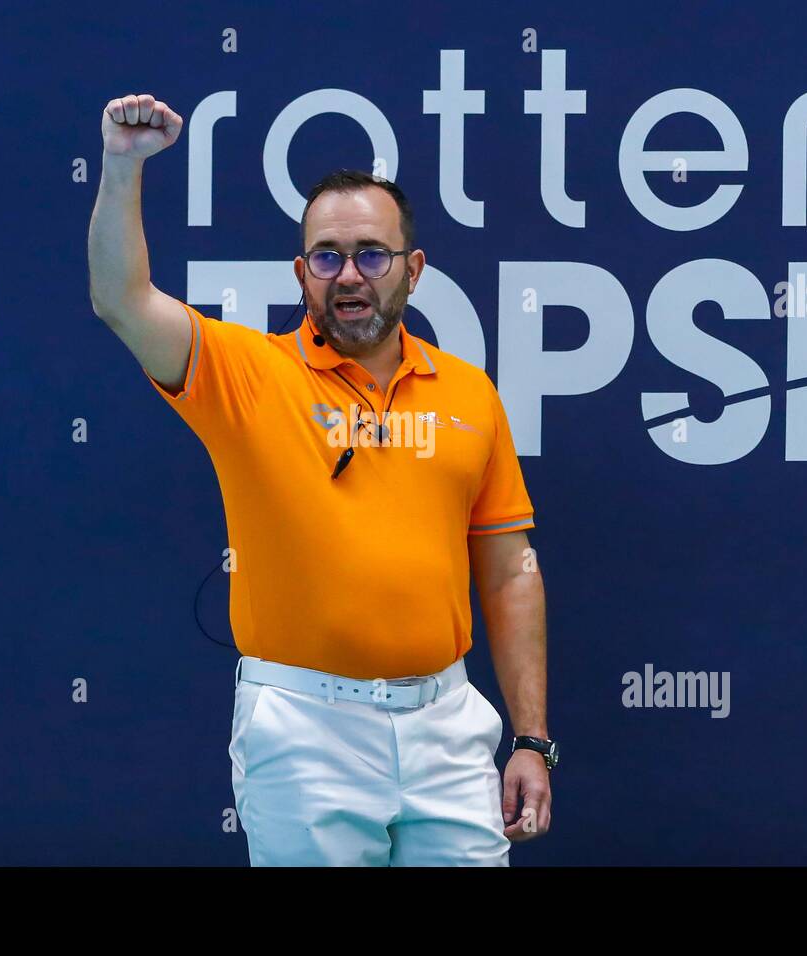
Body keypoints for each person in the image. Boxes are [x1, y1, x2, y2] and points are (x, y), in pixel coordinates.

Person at [87, 93, 556, 866]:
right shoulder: (250, 373)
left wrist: (532, 737)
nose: (349, 276)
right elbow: (122, 300)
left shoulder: (470, 391)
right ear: (302, 272)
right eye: (328, 257)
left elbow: (510, 572)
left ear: (413, 269)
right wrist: (122, 164)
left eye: (372, 254)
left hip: (447, 725)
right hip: (306, 729)